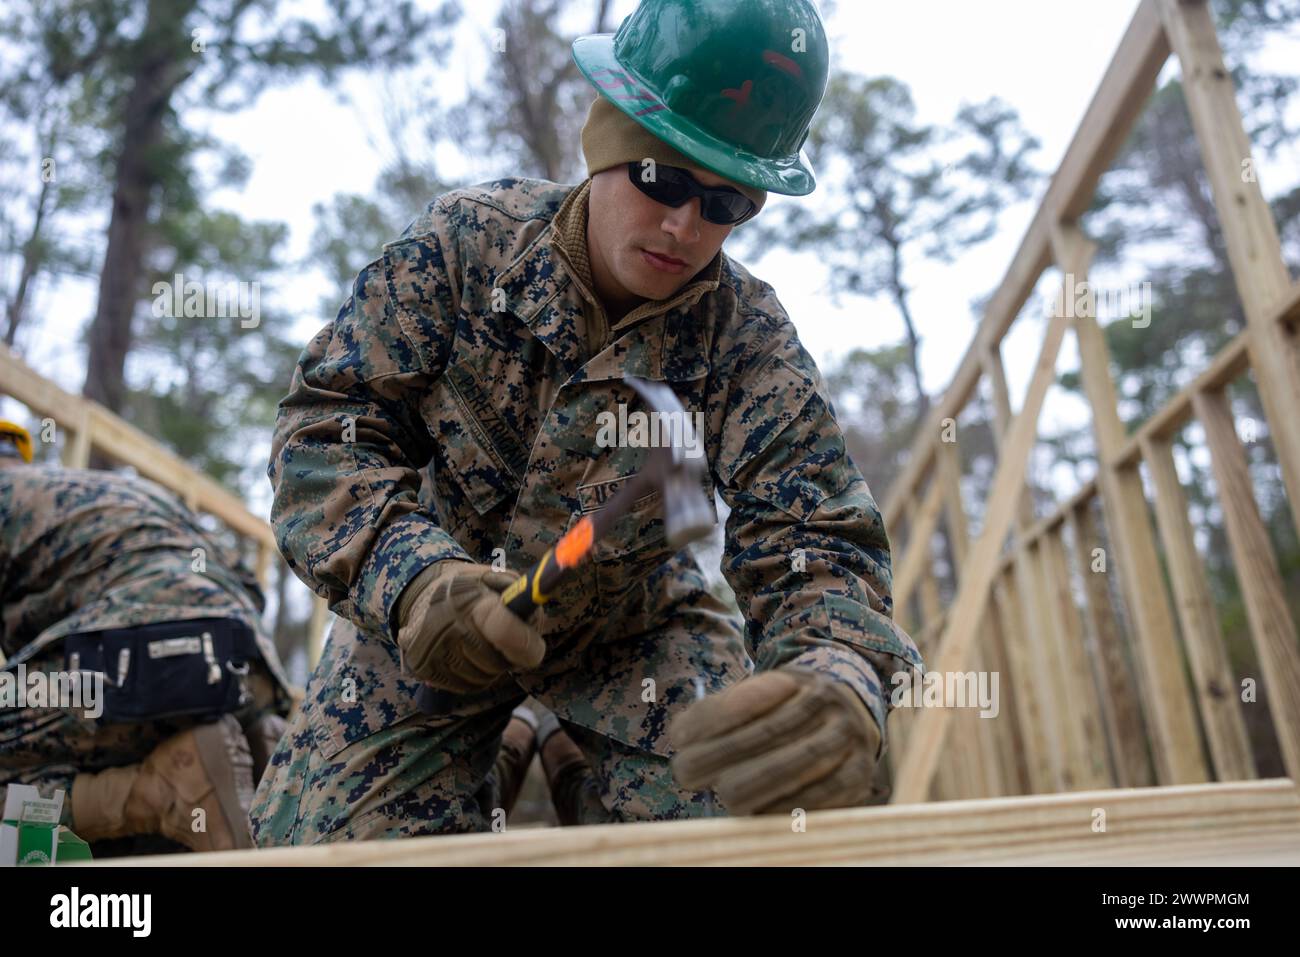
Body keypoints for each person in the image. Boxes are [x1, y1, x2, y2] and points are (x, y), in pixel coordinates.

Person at [251, 0, 922, 845]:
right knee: (320, 851)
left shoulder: (747, 337)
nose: (684, 225)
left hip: (635, 629)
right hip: (438, 612)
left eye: (724, 203)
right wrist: (412, 579)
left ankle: (574, 746)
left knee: (753, 835)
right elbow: (328, 426)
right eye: (662, 180)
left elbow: (817, 534)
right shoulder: (465, 248)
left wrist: (838, 671)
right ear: (605, 139)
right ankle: (496, 752)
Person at [0, 421, 292, 852]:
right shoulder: (111, 490)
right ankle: (254, 747)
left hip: (139, 668)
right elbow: (249, 586)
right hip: (247, 669)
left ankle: (160, 793)